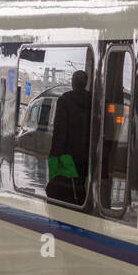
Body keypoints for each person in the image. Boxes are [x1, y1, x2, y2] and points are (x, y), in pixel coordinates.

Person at [46, 69, 91, 205]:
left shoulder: (65, 100)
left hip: (66, 155)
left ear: (72, 83)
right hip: (85, 157)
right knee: (79, 188)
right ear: (85, 83)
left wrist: (54, 155)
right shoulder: (92, 100)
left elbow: (60, 132)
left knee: (63, 193)